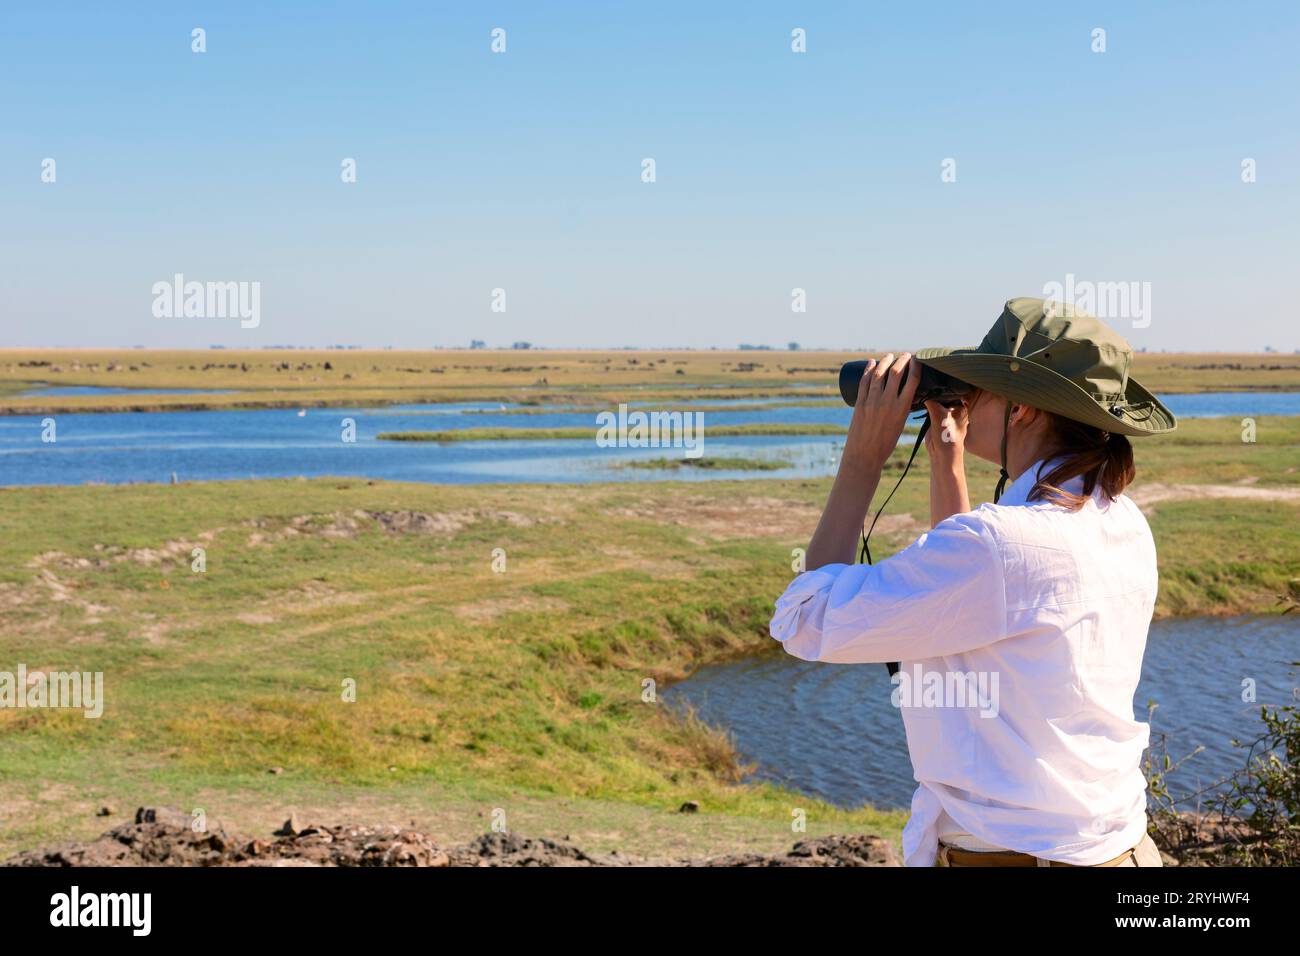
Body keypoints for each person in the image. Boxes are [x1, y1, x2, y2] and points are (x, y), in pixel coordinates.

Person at [769, 297, 1176, 867]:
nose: (965, 400)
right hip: (1119, 852)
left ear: (1024, 411)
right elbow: (967, 610)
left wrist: (862, 461)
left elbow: (804, 620)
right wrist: (947, 462)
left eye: (978, 389)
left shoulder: (998, 546)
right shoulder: (1122, 519)